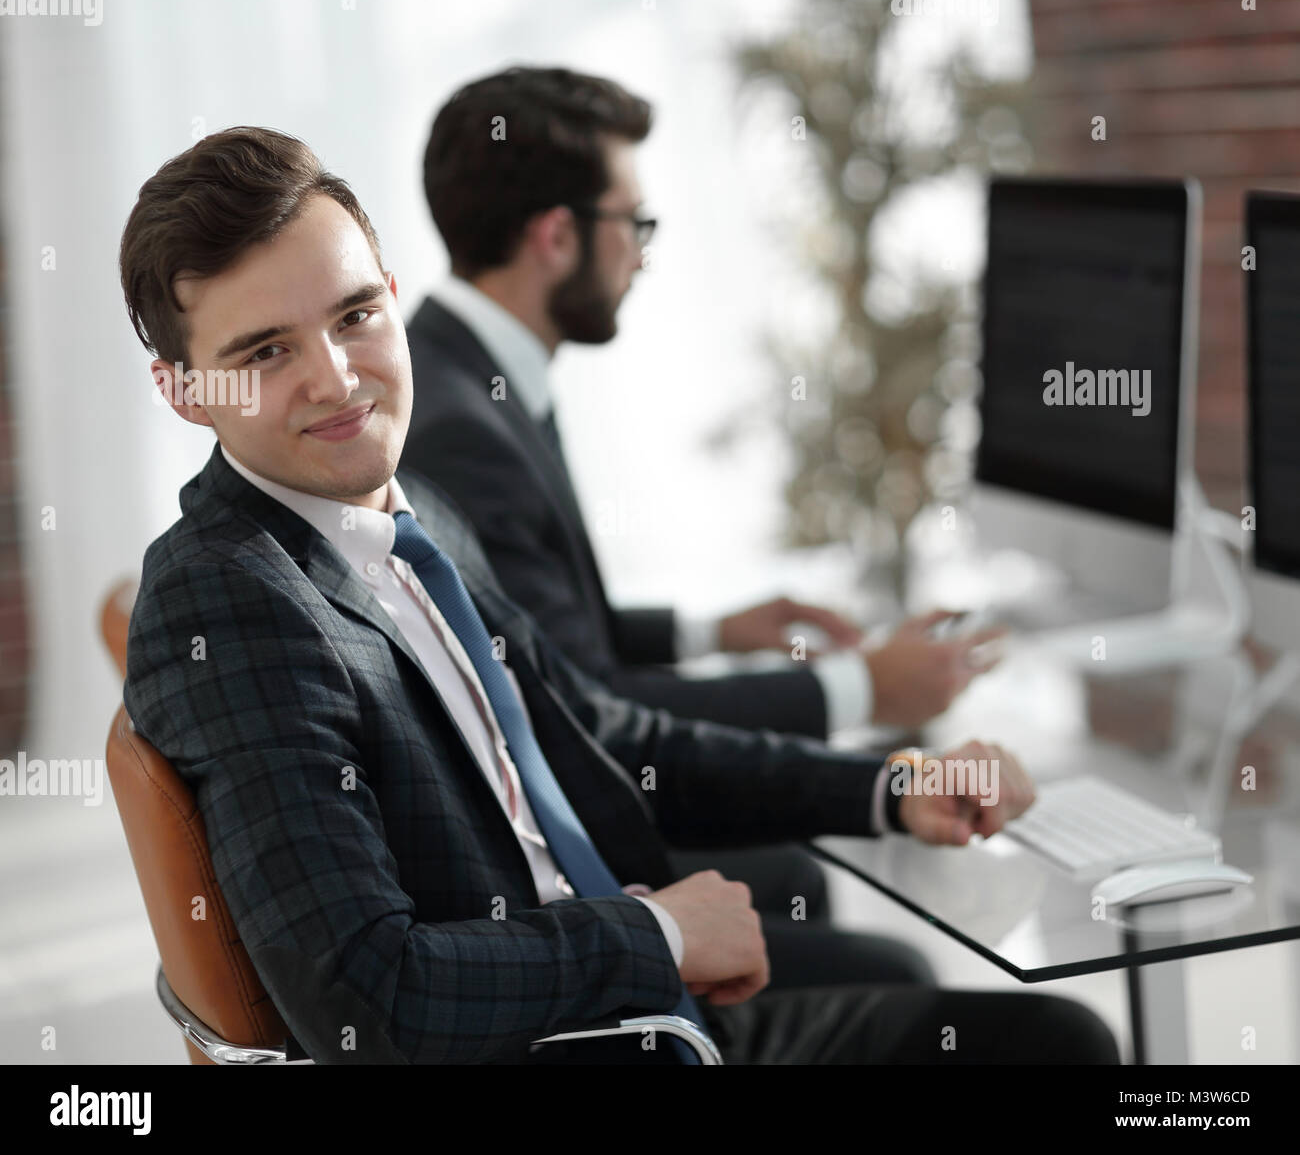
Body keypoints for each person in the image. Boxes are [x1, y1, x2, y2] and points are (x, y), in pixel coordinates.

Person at [118, 126, 1118, 1064]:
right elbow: (364, 996)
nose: (337, 381)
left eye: (353, 317)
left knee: (977, 1007)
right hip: (576, 1038)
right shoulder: (228, 598)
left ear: (389, 290)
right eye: (264, 353)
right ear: (181, 389)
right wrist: (659, 932)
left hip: (618, 1000)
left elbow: (605, 737)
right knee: (1060, 1044)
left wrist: (884, 788)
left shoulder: (411, 509)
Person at [401, 65, 1000, 934]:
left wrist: (708, 632)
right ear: (557, 237)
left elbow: (539, 635)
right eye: (634, 222)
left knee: (802, 877)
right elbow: (585, 709)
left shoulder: (469, 373)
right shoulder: (464, 430)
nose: (642, 253)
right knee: (837, 907)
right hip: (563, 886)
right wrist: (862, 686)